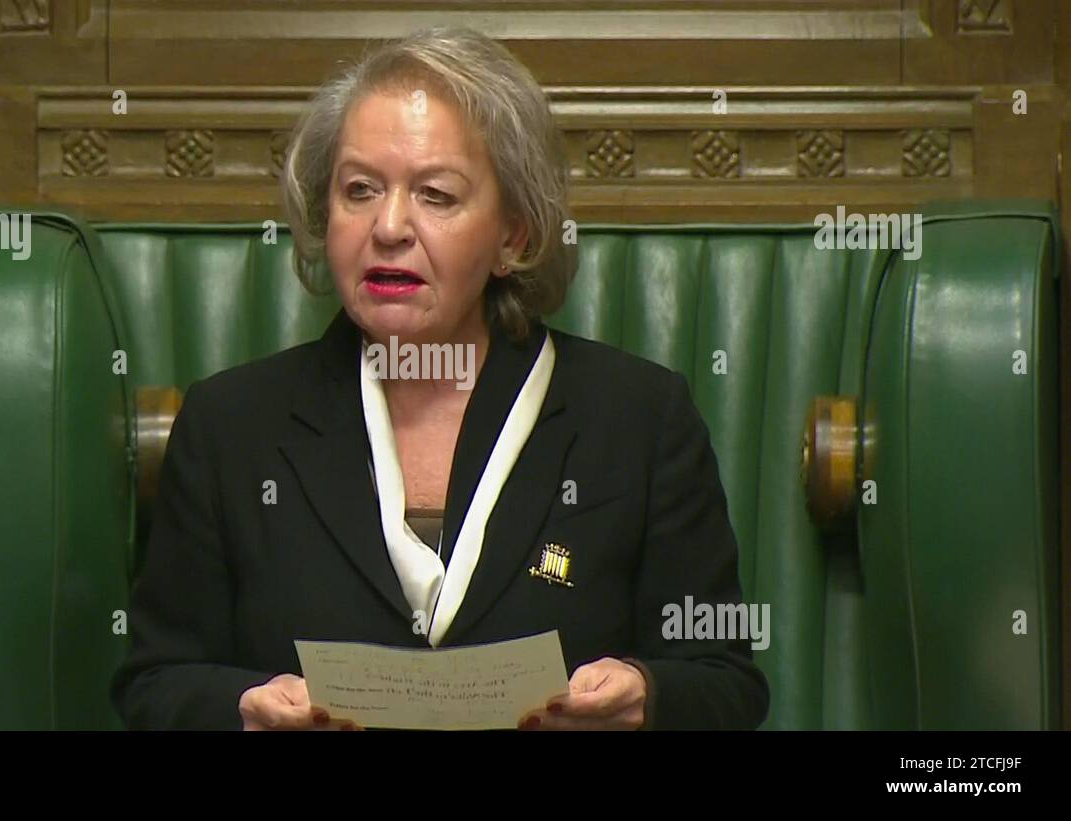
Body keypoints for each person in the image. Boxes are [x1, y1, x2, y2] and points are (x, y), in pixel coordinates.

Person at [110, 26, 768, 731]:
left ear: (513, 236)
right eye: (359, 190)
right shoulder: (229, 425)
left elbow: (726, 681)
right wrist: (242, 712)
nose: (388, 225)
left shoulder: (640, 418)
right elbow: (154, 680)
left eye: (435, 195)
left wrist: (643, 694)